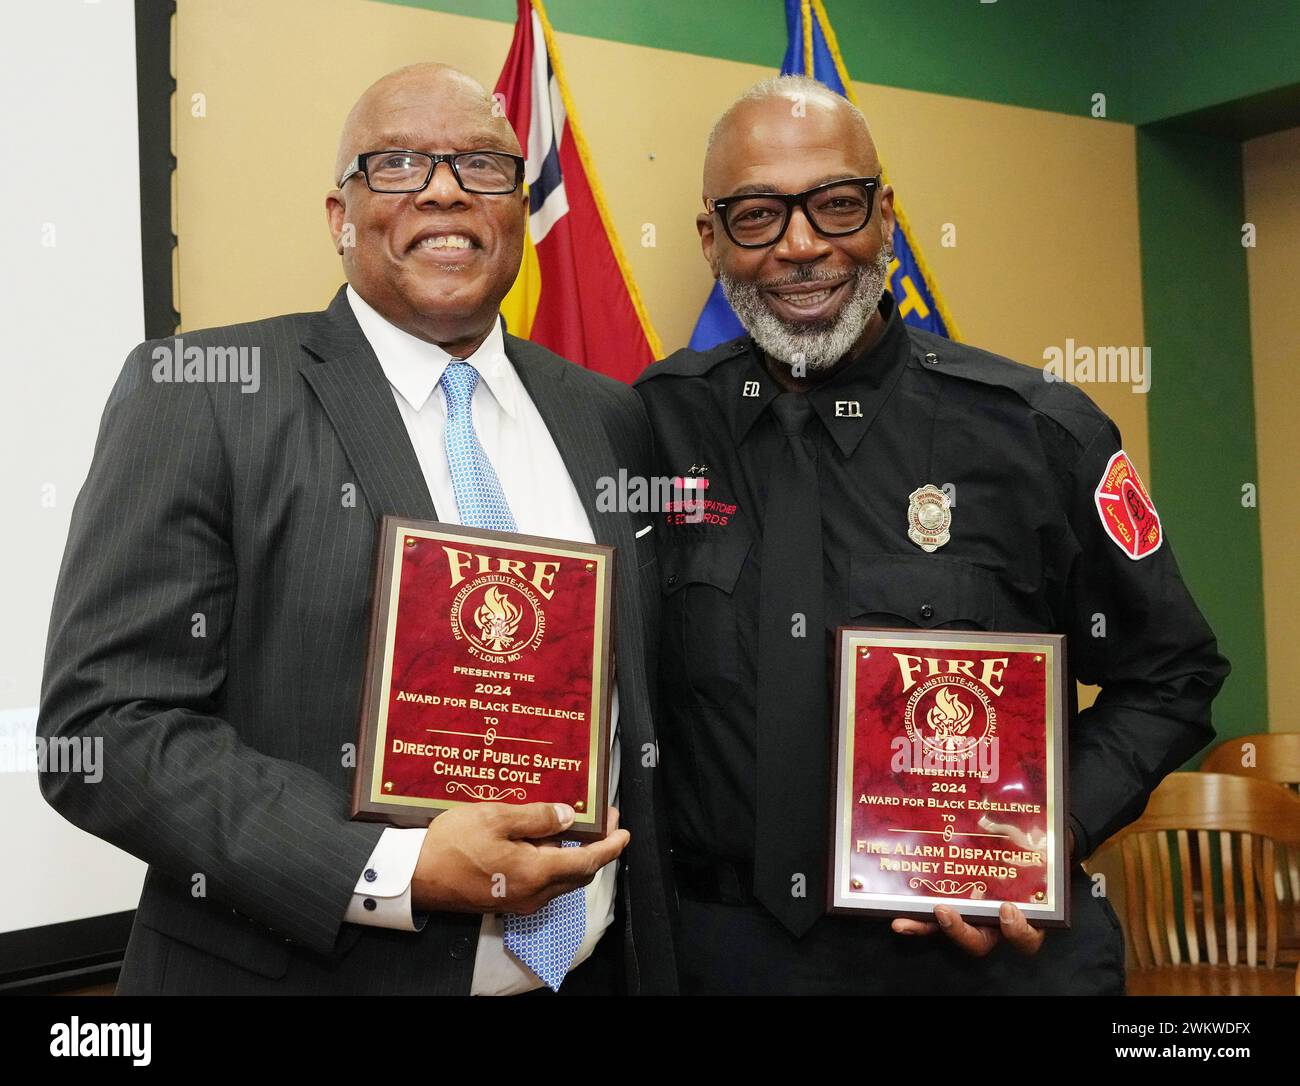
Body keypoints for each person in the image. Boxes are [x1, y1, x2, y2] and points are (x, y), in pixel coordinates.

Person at [37, 63, 674, 996]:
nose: (447, 188)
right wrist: (392, 868)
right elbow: (104, 728)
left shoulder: (609, 416)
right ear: (339, 218)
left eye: (482, 166)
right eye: (400, 165)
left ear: (518, 212)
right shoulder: (203, 393)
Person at [634, 75, 1228, 995]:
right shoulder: (649, 429)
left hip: (982, 961)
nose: (803, 246)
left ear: (887, 215)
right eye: (758, 215)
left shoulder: (1039, 433)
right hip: (724, 957)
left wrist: (1048, 834)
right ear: (712, 239)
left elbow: (1173, 674)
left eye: (837, 205)